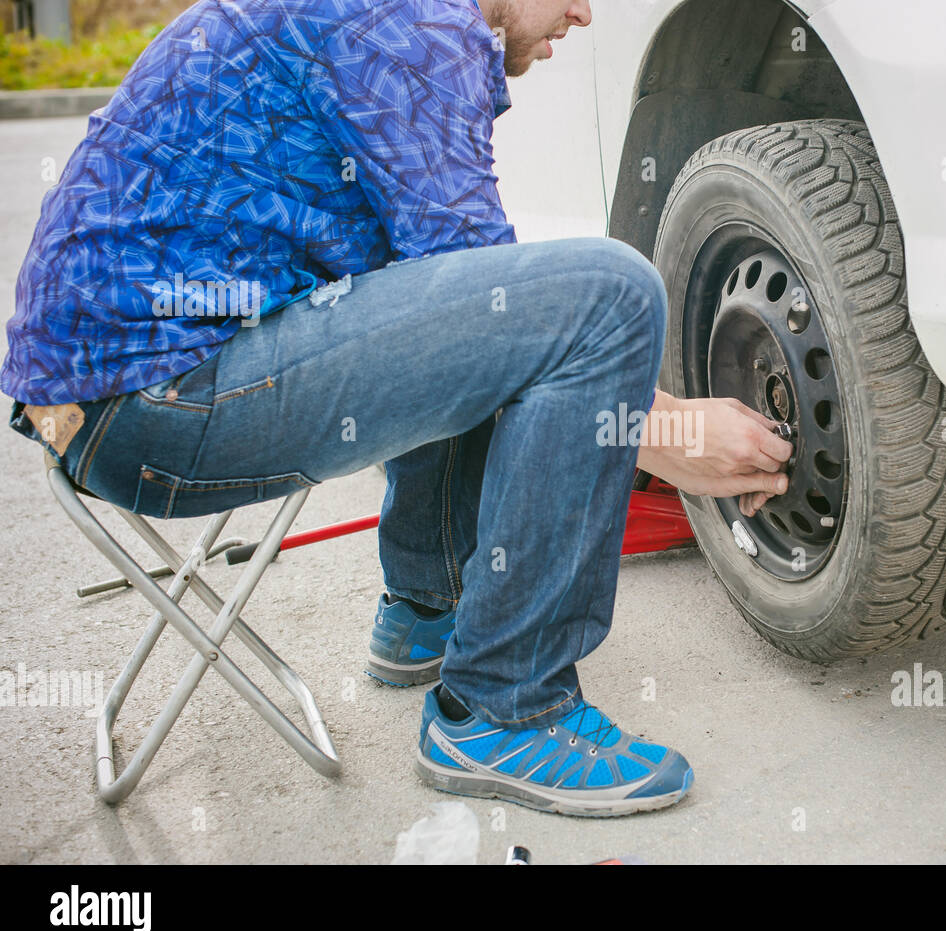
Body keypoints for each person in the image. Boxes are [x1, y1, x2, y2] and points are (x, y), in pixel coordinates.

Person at [1, 0, 791, 816]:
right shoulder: (411, 22)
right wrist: (675, 433)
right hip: (148, 404)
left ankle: (430, 605)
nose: (585, 14)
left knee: (458, 286)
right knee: (608, 295)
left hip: (95, 401)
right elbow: (504, 303)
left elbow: (451, 281)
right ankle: (501, 706)